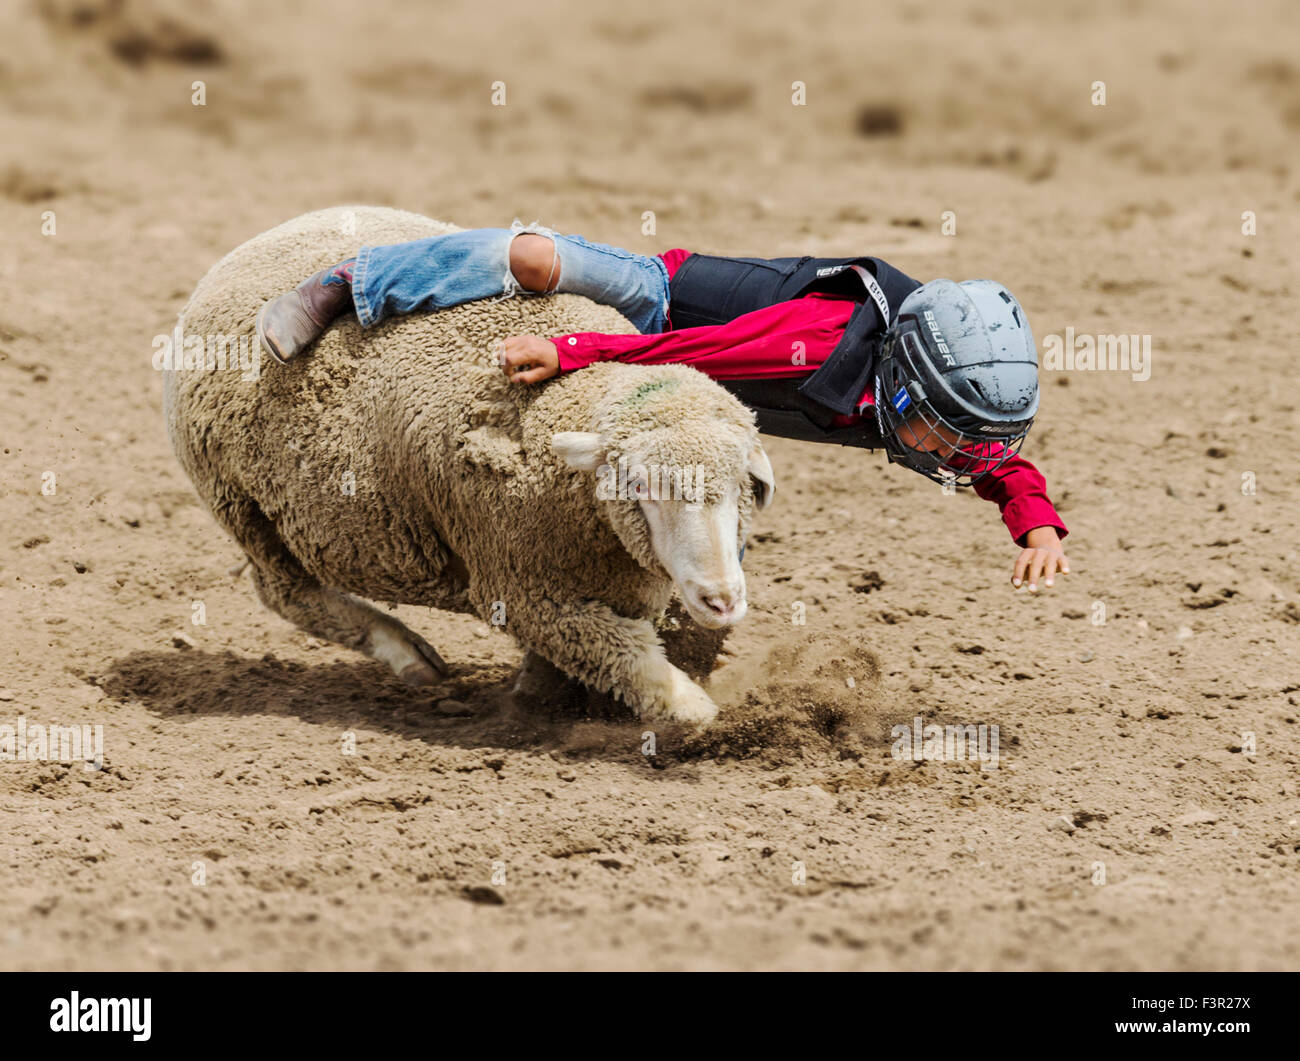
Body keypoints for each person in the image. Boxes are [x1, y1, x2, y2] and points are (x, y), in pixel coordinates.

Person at [257, 220, 1070, 592]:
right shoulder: (816, 347)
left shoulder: (923, 407)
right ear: (903, 379)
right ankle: (352, 280)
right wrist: (577, 348)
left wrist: (1033, 520)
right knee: (538, 261)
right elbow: (697, 354)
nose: (956, 453)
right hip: (667, 310)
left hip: (704, 375)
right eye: (950, 432)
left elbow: (998, 463)